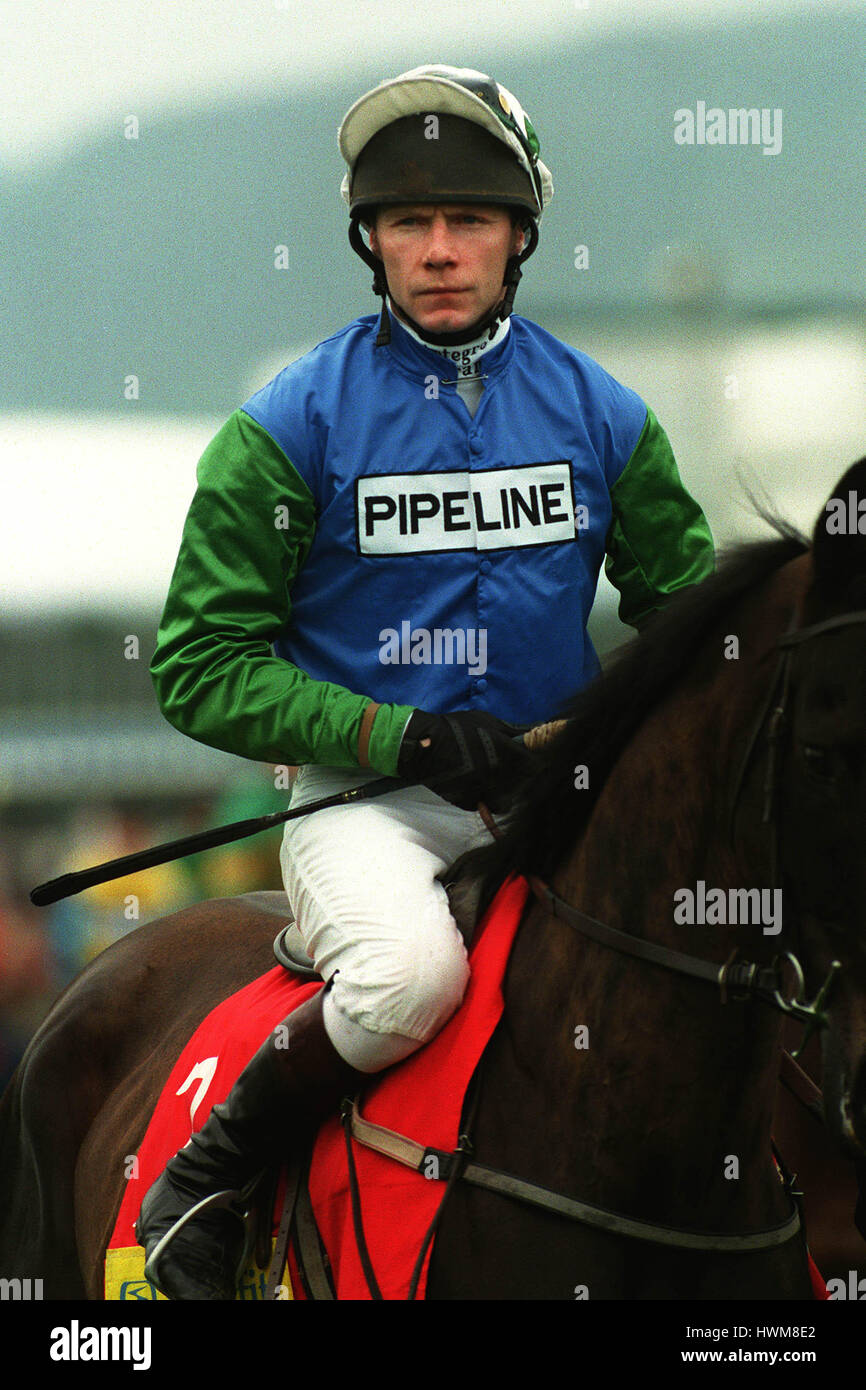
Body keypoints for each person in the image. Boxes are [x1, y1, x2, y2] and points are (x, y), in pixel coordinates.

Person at [136, 64, 715, 1299]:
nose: (439, 250)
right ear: (371, 244)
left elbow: (694, 623)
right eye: (409, 223)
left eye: (468, 222)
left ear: (519, 238)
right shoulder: (286, 427)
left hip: (558, 796)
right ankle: (211, 1176)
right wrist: (389, 734)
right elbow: (197, 665)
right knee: (411, 975)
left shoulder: (605, 417)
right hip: (367, 806)